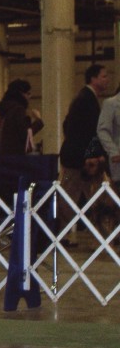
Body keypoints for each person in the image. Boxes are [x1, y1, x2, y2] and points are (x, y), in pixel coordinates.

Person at [57, 64, 110, 234]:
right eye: (103, 76)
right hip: (80, 159)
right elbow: (86, 132)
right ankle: (64, 235)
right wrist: (92, 156)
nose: (106, 80)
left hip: (79, 157)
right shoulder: (86, 100)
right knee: (72, 197)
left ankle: (102, 232)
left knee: (88, 197)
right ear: (93, 79)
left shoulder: (84, 99)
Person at [0, 79, 43, 156]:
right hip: (16, 158)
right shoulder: (18, 110)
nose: (30, 97)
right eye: (28, 93)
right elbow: (26, 135)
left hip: (4, 158)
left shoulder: (5, 111)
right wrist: (38, 121)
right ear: (20, 94)